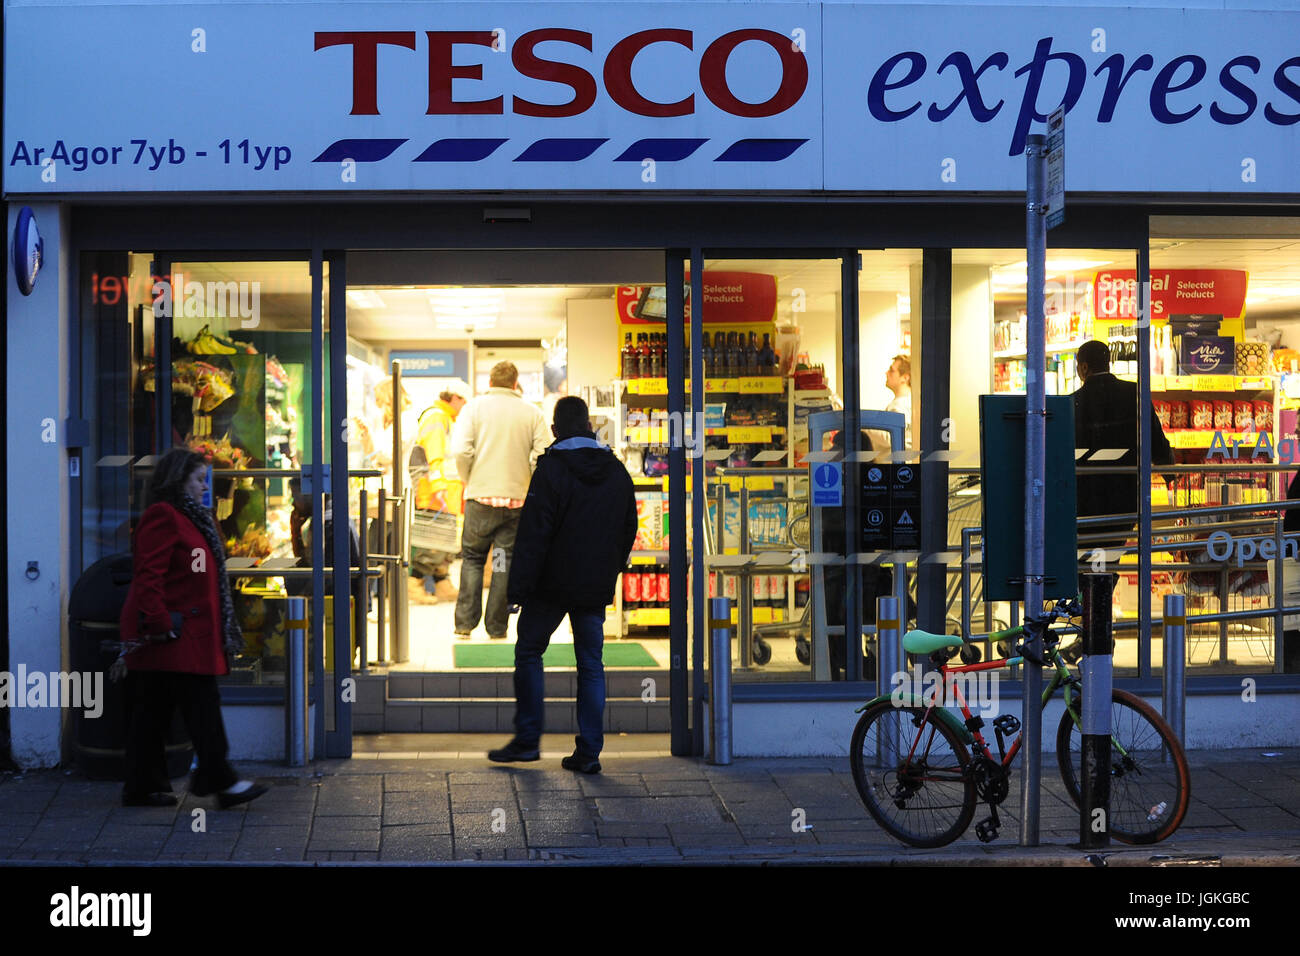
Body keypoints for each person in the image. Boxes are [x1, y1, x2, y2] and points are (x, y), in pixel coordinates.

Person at [488, 396, 637, 772]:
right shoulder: (616, 470)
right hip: (592, 586)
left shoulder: (551, 470)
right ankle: (588, 752)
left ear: (554, 430)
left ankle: (527, 740)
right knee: (590, 663)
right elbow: (628, 528)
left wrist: (518, 589)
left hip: (549, 587)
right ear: (589, 426)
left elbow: (533, 536)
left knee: (529, 653)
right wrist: (610, 569)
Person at [115, 447, 267, 809]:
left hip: (186, 632)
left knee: (153, 712)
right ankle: (220, 779)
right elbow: (148, 576)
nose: (204, 486)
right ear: (178, 479)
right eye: (199, 479)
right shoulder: (164, 516)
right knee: (202, 708)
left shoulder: (193, 518)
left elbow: (193, 570)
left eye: (205, 479)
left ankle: (141, 786)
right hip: (173, 634)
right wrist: (160, 622)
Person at [449, 361, 550, 639]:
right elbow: (544, 455)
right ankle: (497, 627)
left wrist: (470, 478)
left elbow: (460, 450)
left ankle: (464, 625)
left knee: (472, 559)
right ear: (515, 383)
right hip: (516, 502)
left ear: (490, 382)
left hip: (479, 499)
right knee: (503, 561)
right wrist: (526, 478)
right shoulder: (532, 413)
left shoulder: (473, 409)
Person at [1072, 340, 1174, 562]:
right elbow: (1156, 440)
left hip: (1083, 500)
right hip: (1124, 497)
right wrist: (1170, 476)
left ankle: (1091, 590)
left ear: (1084, 367)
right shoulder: (1134, 394)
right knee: (1110, 556)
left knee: (1084, 560)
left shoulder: (1073, 402)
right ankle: (1103, 586)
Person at [408, 383, 471, 604]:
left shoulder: (445, 418)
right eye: (463, 401)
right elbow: (434, 453)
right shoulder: (437, 417)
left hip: (446, 490)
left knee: (444, 540)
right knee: (433, 539)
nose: (464, 406)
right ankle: (414, 583)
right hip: (437, 491)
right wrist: (438, 485)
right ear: (454, 397)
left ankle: (442, 583)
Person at [885, 354, 913, 448]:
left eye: (892, 371)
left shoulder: (900, 406)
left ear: (905, 378)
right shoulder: (905, 403)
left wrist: (861, 425)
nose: (886, 373)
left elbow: (890, 437)